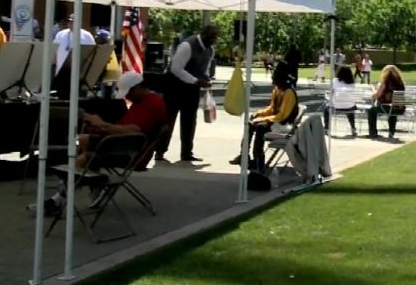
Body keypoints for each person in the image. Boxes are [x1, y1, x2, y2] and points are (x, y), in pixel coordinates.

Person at [38, 72, 168, 215]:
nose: (127, 97)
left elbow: (134, 131)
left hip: (132, 152)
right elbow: (126, 129)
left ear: (137, 88)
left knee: (83, 158)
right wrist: (100, 128)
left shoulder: (152, 103)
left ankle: (59, 199)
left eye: (128, 93)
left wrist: (103, 125)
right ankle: (91, 181)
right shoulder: (141, 102)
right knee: (85, 140)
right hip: (125, 145)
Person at [156, 25, 218, 164]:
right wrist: (196, 80)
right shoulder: (187, 45)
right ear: (203, 34)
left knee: (190, 120)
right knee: (169, 119)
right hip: (174, 86)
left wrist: (205, 78)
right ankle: (160, 151)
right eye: (211, 37)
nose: (213, 40)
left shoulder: (210, 50)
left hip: (192, 88)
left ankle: (186, 152)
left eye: (215, 38)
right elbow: (176, 69)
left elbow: (205, 68)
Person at [230, 64, 299, 171]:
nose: (273, 78)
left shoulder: (289, 92)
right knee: (250, 123)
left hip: (284, 125)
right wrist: (258, 114)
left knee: (260, 127)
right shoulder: (277, 89)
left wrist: (263, 120)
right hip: (276, 121)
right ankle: (244, 155)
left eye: (275, 76)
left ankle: (258, 161)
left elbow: (282, 116)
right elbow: (272, 109)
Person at [367, 64, 405, 139]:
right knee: (392, 111)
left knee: (371, 110)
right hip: (400, 108)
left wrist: (373, 88)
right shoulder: (401, 83)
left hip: (387, 108)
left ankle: (373, 132)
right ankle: (391, 132)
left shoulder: (385, 82)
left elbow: (375, 95)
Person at [329, 65, 359, 136]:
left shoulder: (334, 81)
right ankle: (353, 128)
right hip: (349, 106)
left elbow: (331, 93)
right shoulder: (352, 83)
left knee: (326, 109)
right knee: (351, 108)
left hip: (336, 106)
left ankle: (326, 128)